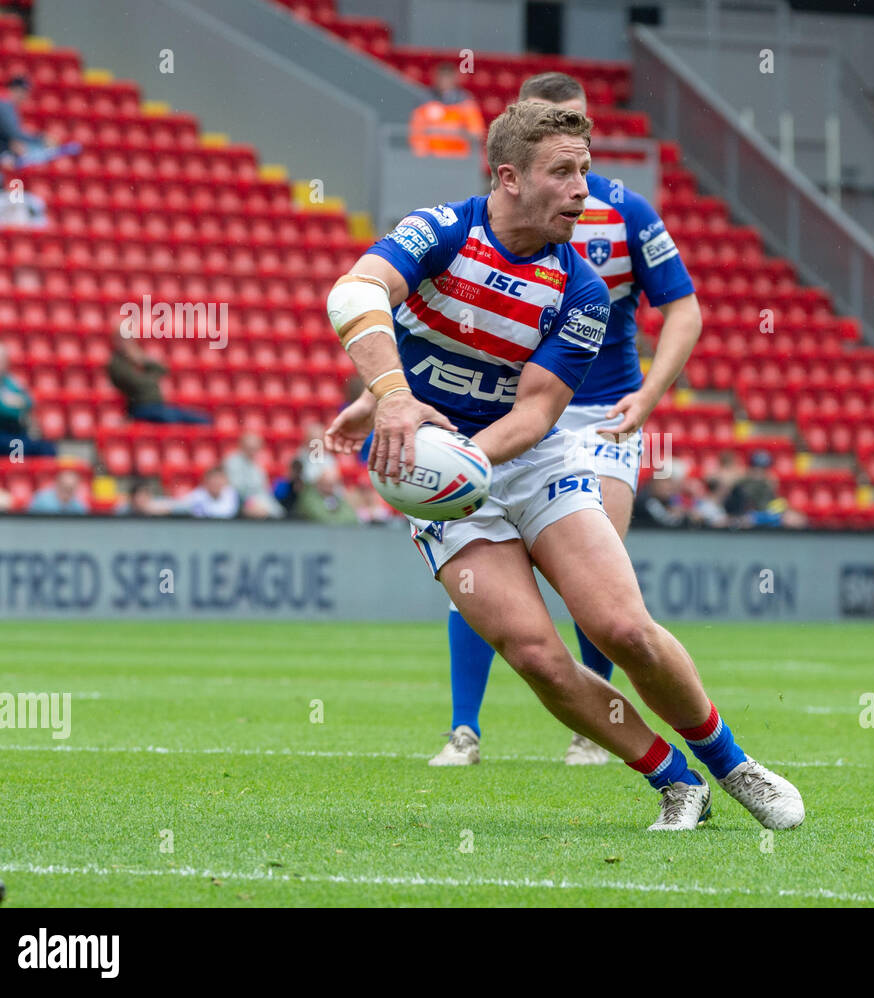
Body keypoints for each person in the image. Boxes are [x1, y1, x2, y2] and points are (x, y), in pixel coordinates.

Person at [323, 100, 802, 831]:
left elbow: (537, 414)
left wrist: (455, 458)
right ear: (509, 177)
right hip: (443, 476)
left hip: (527, 459)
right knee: (535, 654)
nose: (584, 190)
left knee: (623, 629)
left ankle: (733, 764)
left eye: (585, 170)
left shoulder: (581, 287)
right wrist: (389, 397)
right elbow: (354, 292)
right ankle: (676, 783)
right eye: (564, 172)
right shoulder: (441, 231)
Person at [420, 72, 704, 767]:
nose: (572, 150)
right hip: (512, 410)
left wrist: (651, 395)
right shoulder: (490, 218)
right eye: (551, 129)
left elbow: (685, 310)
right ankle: (465, 728)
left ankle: (593, 729)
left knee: (597, 588)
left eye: (578, 130)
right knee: (483, 575)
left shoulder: (626, 211)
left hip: (600, 411)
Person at [0, 339, 56, 457]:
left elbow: (28, 401)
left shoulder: (7, 380)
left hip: (9, 433)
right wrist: (14, 402)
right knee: (33, 448)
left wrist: (13, 401)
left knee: (46, 447)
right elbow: (3, 409)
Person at [107, 330, 211, 424]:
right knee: (172, 419)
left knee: (203, 419)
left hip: (157, 406)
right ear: (117, 340)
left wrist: (143, 359)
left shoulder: (136, 360)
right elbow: (139, 384)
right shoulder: (116, 363)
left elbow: (162, 370)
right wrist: (147, 372)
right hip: (140, 408)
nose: (130, 342)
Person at [408, 63, 485, 157]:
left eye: (447, 77)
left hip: (458, 158)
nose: (444, 80)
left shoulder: (465, 102)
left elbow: (476, 132)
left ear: (454, 78)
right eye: (441, 76)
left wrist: (457, 132)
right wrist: (422, 155)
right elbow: (417, 132)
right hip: (431, 158)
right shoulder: (424, 101)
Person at [223, 433, 283, 518]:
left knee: (279, 512)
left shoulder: (258, 466)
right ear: (241, 446)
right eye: (249, 448)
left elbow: (264, 490)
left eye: (255, 448)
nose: (252, 451)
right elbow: (236, 490)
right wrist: (252, 503)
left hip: (260, 500)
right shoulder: (232, 462)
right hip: (241, 503)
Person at [294, 461, 358, 525]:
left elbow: (352, 517)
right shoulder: (309, 497)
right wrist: (340, 521)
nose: (331, 487)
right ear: (319, 483)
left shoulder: (337, 497)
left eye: (333, 484)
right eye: (327, 484)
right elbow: (322, 518)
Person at [174, 466, 238, 519]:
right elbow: (180, 505)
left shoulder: (232, 494)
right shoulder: (198, 495)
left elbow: (226, 511)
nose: (216, 483)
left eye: (219, 480)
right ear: (206, 482)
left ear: (226, 482)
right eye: (213, 480)